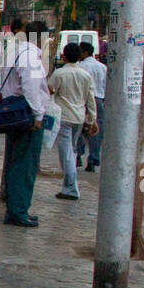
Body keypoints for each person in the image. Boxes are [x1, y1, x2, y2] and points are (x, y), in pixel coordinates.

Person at [0, 18, 52, 228]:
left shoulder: (15, 52)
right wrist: (38, 116)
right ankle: (18, 210)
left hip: (13, 113)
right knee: (25, 165)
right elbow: (30, 88)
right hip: (26, 115)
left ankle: (16, 208)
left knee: (15, 161)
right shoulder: (31, 57)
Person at [48, 43, 97, 201]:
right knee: (72, 150)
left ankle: (70, 188)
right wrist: (92, 119)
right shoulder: (85, 75)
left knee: (66, 153)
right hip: (79, 118)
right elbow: (91, 99)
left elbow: (48, 90)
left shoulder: (59, 73)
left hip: (64, 117)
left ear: (64, 56)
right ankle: (70, 186)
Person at [75, 40, 107, 172]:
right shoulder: (102, 67)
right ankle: (93, 159)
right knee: (95, 130)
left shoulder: (80, 67)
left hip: (83, 100)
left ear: (85, 52)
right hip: (98, 99)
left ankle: (78, 154)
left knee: (79, 127)